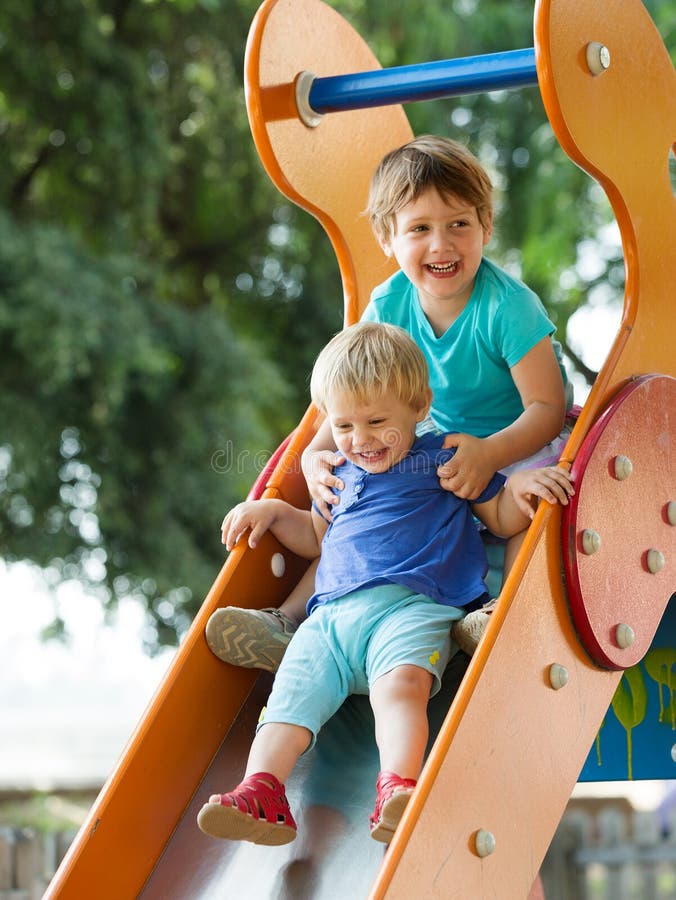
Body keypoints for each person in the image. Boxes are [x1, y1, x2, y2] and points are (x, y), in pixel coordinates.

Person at [197, 322, 574, 846]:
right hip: (327, 621)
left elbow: (500, 515)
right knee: (288, 698)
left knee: (403, 690)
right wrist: (272, 511)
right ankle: (263, 789)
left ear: (418, 406)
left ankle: (398, 785)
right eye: (345, 425)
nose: (360, 439)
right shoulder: (340, 475)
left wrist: (523, 486)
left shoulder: (442, 457)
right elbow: (316, 536)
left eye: (377, 421)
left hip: (412, 608)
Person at [205, 135, 573, 668]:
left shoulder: (508, 307)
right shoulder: (389, 303)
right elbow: (352, 390)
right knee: (357, 501)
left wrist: (491, 455)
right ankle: (289, 620)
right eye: (420, 229)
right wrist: (315, 453)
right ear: (387, 238)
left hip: (519, 438)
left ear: (486, 227)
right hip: (432, 442)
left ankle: (502, 609)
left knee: (535, 492)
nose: (441, 245)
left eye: (459, 225)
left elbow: (546, 406)